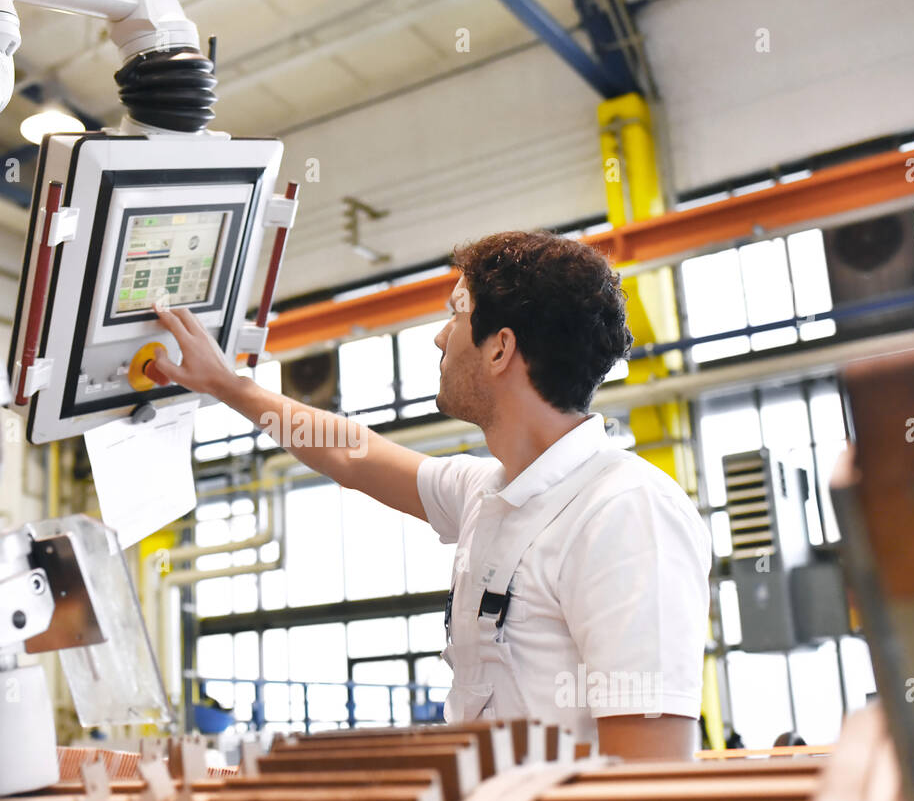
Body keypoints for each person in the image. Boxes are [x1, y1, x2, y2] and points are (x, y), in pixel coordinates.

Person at [147, 229, 712, 760]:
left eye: (456, 314)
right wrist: (228, 385)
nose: (439, 336)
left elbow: (649, 772)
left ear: (500, 349)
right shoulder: (488, 494)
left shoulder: (625, 511)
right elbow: (348, 453)